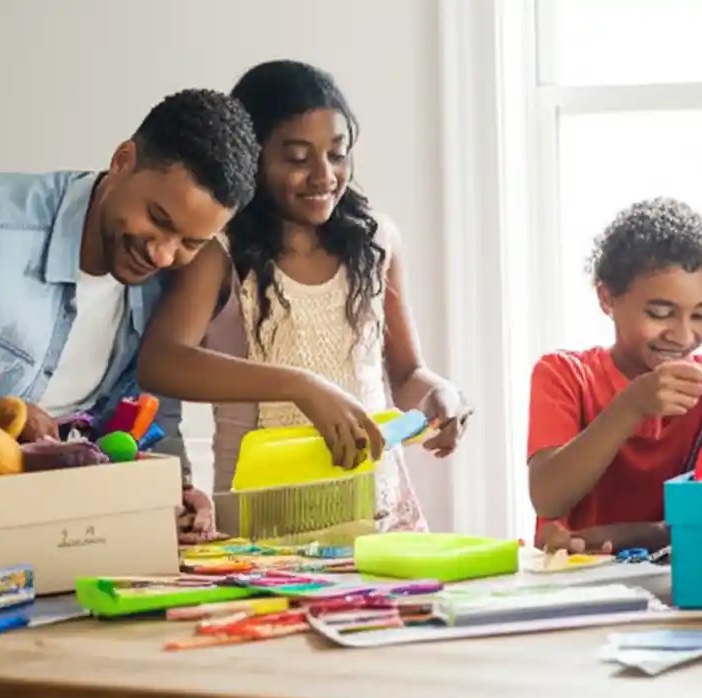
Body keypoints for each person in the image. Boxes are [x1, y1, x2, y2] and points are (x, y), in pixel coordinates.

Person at [0, 88, 260, 551]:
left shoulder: (160, 286)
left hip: (27, 551)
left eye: (190, 243)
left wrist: (171, 493)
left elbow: (139, 417)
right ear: (122, 161)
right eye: (157, 219)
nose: (162, 252)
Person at [138, 60, 470, 532]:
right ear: (253, 159)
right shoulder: (219, 255)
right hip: (261, 526)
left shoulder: (378, 241)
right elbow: (161, 362)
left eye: (337, 154)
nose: (324, 175)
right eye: (297, 158)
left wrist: (441, 395)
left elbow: (405, 373)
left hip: (377, 515)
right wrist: (298, 384)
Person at [528, 197, 702, 554]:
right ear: (607, 298)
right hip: (575, 586)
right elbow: (548, 498)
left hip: (682, 586)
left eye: (700, 315)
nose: (682, 336)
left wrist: (625, 536)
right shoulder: (564, 375)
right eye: (661, 313)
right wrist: (631, 405)